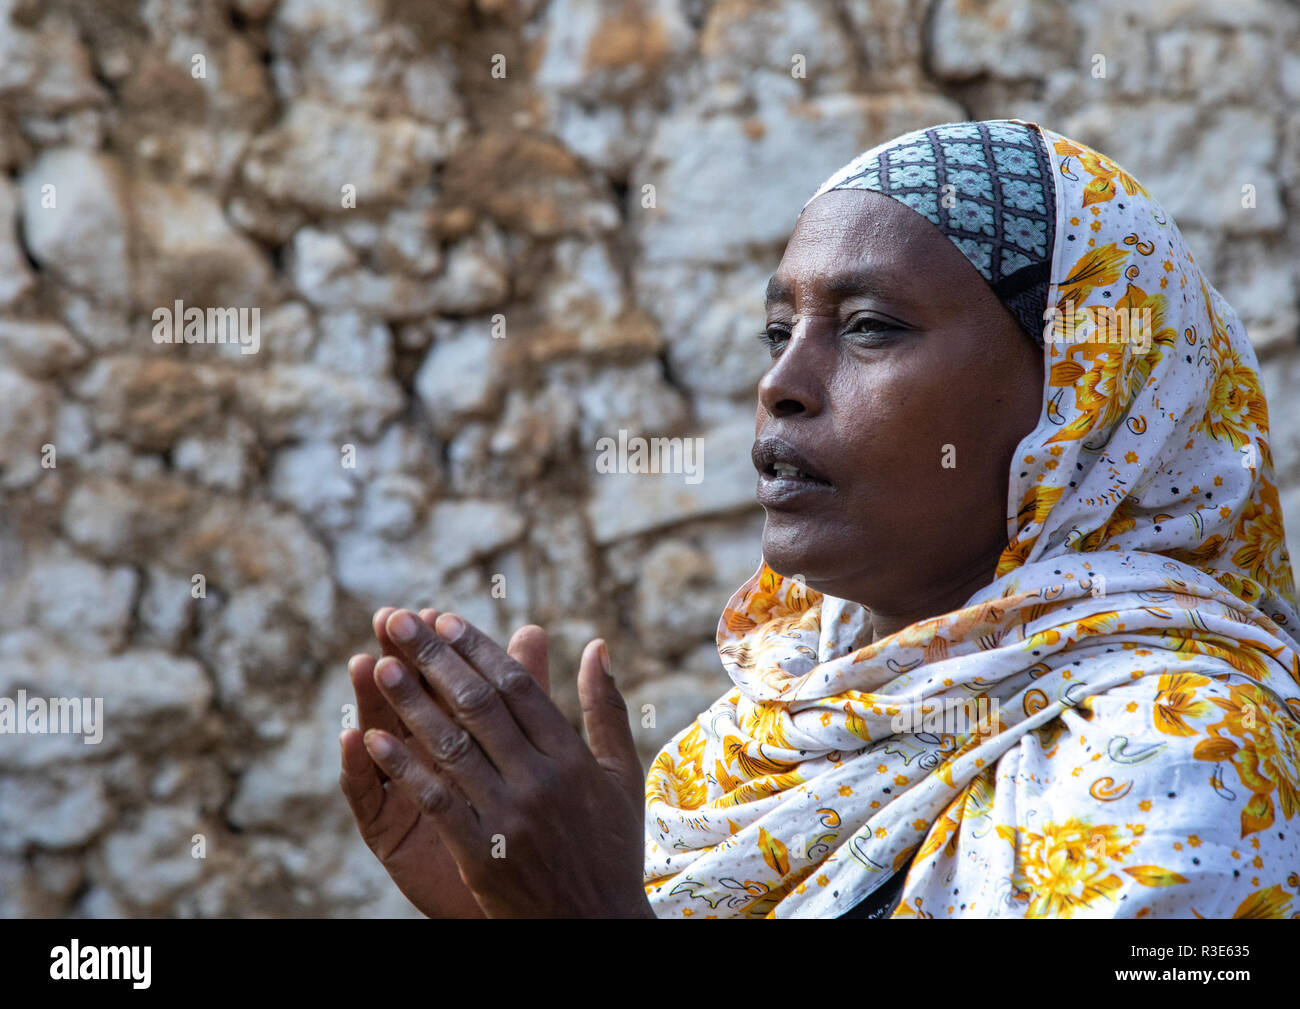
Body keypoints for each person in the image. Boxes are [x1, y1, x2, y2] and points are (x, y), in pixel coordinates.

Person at [339, 119, 1300, 919]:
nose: (781, 383)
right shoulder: (741, 762)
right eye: (778, 330)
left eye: (871, 326)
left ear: (1082, 394)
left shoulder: (1189, 756)